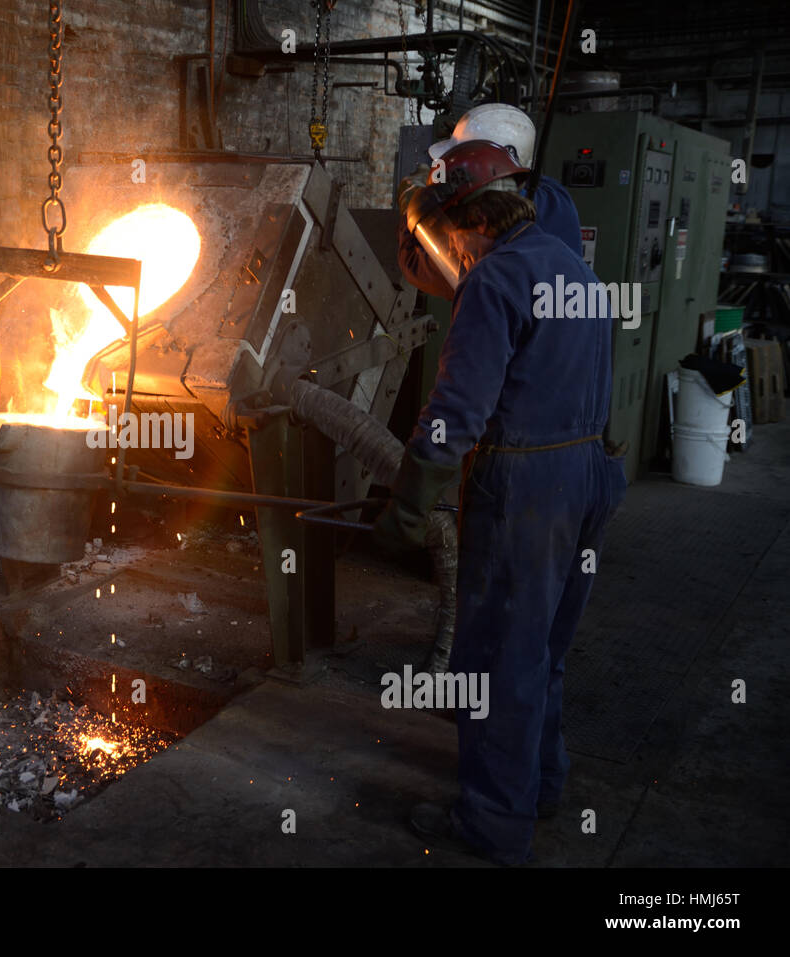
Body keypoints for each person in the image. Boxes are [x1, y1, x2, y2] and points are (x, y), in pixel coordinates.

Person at [372, 140, 627, 865]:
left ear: (466, 220)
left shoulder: (495, 279)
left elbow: (456, 410)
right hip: (590, 476)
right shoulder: (573, 268)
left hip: (527, 491)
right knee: (542, 649)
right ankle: (542, 784)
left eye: (447, 240)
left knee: (494, 660)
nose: (449, 255)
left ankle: (492, 822)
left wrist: (410, 501)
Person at [398, 103, 583, 300]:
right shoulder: (555, 195)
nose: (455, 246)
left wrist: (414, 205)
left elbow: (419, 266)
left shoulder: (488, 253)